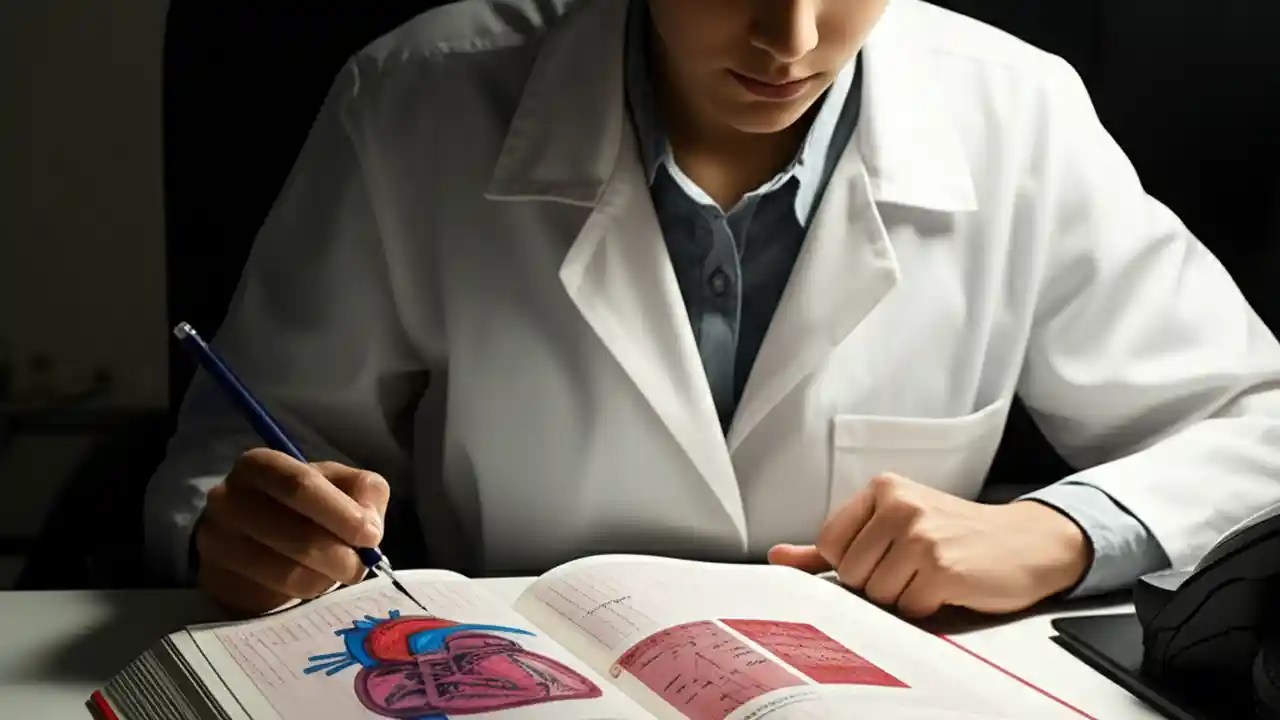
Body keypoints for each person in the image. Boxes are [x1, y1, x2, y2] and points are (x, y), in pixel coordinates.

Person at [146, 0, 1280, 618]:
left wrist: (1056, 533)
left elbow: (1257, 424)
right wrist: (243, 528)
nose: (791, 38)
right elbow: (239, 450)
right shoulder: (413, 102)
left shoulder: (1015, 112)